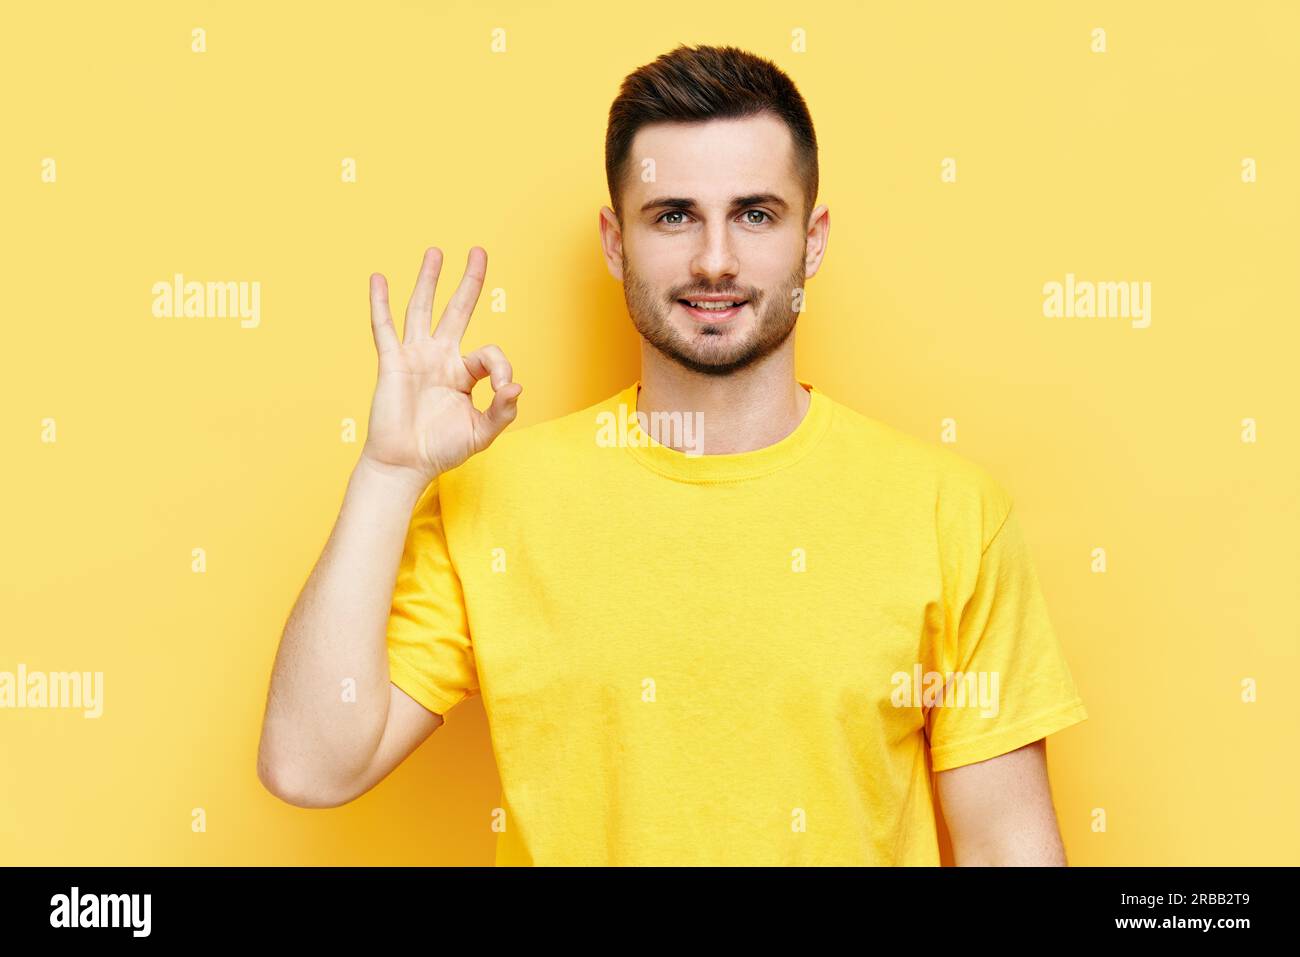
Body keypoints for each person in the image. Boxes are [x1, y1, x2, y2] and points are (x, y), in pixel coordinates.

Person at [257, 43, 1087, 866]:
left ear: (814, 239)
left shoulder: (951, 513)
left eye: (755, 214)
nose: (715, 259)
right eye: (674, 214)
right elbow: (310, 764)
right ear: (616, 243)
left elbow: (1006, 845)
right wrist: (389, 475)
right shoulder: (497, 498)